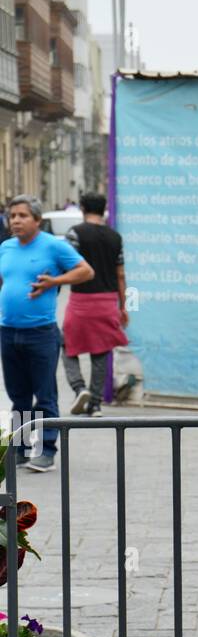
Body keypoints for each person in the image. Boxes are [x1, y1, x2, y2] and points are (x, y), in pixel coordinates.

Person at [0, 195, 93, 471]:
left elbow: (85, 271)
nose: (15, 220)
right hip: (8, 331)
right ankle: (21, 448)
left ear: (37, 220)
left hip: (40, 333)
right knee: (17, 396)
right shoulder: (5, 247)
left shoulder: (52, 246)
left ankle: (46, 450)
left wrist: (56, 281)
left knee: (45, 394)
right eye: (12, 215)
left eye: (22, 215)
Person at [61, 192, 129, 416]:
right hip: (108, 301)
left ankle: (80, 388)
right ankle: (96, 403)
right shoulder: (115, 237)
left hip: (82, 300)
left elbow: (68, 265)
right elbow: (120, 274)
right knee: (101, 351)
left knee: (67, 345)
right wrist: (123, 306)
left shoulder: (75, 234)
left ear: (82, 208)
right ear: (103, 209)